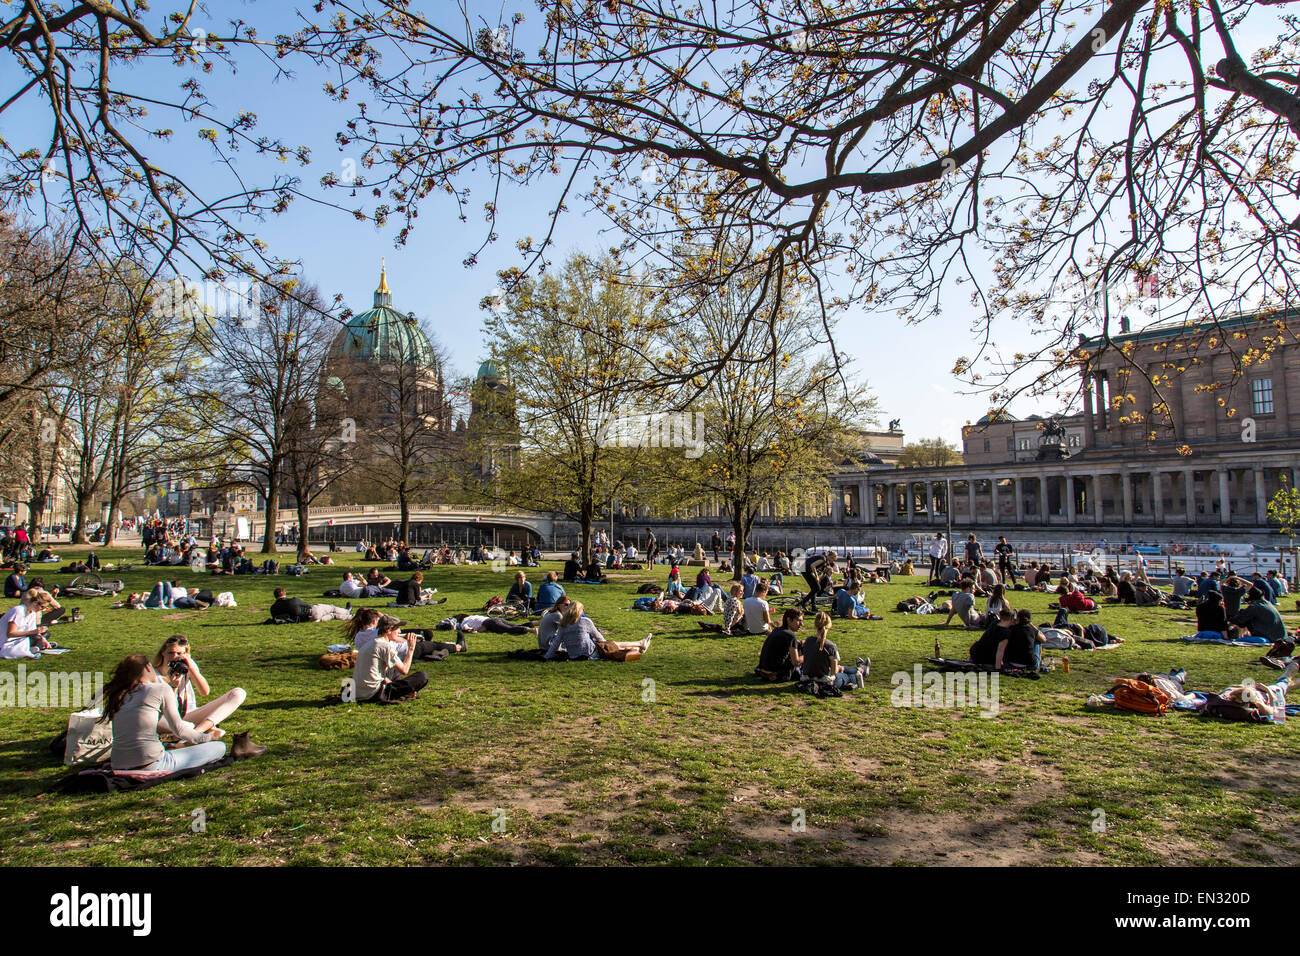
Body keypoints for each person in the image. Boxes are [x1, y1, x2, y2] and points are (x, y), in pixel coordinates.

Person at [101, 654, 226, 772]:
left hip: (118, 764)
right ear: (147, 668)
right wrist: (208, 738)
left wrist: (174, 687)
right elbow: (179, 729)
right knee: (220, 747)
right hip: (150, 763)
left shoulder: (120, 696)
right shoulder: (159, 689)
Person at [151, 635, 246, 735]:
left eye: (179, 653)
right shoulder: (153, 675)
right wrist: (173, 687)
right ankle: (204, 730)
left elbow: (204, 692)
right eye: (170, 653)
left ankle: (197, 732)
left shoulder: (186, 666)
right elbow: (165, 709)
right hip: (166, 718)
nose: (175, 657)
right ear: (162, 653)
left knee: (239, 693)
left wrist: (192, 669)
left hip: (189, 714)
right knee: (158, 722)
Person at [544, 601, 650, 661]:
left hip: (573, 654)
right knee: (613, 645)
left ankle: (639, 646)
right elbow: (600, 638)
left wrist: (547, 656)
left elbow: (556, 643)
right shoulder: (584, 621)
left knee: (615, 646)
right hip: (589, 653)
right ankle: (639, 644)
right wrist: (607, 646)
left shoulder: (563, 624)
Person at [353, 617, 427, 702]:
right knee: (422, 676)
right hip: (374, 693)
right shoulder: (385, 646)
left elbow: (376, 673)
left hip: (359, 692)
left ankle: (404, 691)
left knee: (393, 671)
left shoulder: (371, 643)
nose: (399, 632)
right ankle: (404, 691)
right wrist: (411, 648)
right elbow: (404, 670)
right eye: (397, 629)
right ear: (389, 630)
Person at [800, 612, 866, 690]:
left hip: (807, 680)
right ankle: (860, 671)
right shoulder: (830, 646)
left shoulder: (808, 641)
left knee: (843, 669)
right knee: (848, 676)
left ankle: (860, 669)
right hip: (825, 682)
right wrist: (840, 668)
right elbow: (834, 671)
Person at [0, 589, 54, 658]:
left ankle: (35, 646)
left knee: (45, 634)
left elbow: (33, 631)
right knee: (36, 638)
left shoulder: (32, 612)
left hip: (19, 639)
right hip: (6, 643)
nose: (42, 610)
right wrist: (33, 632)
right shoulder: (18, 611)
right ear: (35, 603)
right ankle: (33, 648)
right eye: (42, 607)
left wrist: (43, 639)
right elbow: (10, 633)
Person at [756, 608, 805, 681]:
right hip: (779, 674)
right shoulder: (791, 636)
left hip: (763, 670)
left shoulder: (777, 630)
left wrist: (801, 643)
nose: (801, 624)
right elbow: (796, 662)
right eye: (799, 621)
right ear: (789, 620)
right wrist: (807, 655)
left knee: (800, 646)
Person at [269, 587, 351, 622]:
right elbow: (307, 605)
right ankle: (347, 611)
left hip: (308, 620)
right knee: (332, 608)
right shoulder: (293, 601)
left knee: (332, 615)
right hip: (312, 612)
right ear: (285, 593)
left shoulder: (273, 608)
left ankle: (350, 616)